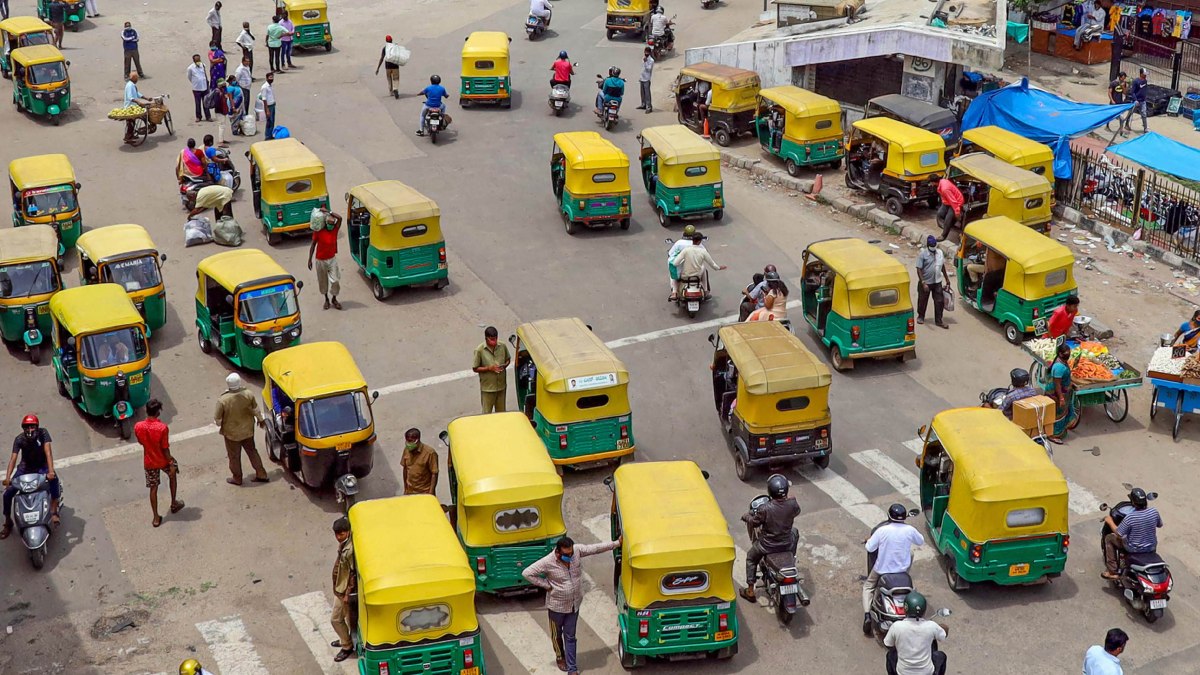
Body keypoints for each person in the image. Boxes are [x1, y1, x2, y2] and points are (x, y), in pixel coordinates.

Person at [522, 535, 621, 675]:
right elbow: (527, 573)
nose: (570, 556)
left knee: (570, 637)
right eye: (566, 555)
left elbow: (595, 548)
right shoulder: (548, 562)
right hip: (556, 607)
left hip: (574, 605)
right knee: (557, 636)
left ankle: (572, 668)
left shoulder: (577, 552)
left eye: (571, 553)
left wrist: (616, 543)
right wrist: (547, 586)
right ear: (558, 552)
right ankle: (559, 657)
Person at [862, 503, 925, 629]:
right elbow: (921, 541)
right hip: (902, 571)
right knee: (911, 553)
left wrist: (869, 540)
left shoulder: (882, 531)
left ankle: (867, 615)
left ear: (889, 516)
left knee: (868, 587)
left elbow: (869, 547)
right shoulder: (909, 530)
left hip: (882, 570)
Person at [740, 474, 800, 602]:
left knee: (750, 558)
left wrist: (746, 517)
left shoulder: (764, 508)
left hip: (767, 546)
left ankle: (750, 591)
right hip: (787, 544)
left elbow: (755, 522)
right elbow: (796, 511)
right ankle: (791, 557)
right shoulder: (792, 503)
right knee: (795, 532)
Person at [1, 415, 60, 539]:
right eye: (27, 427)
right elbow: (13, 458)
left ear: (37, 427)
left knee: (54, 481)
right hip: (25, 469)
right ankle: (8, 521)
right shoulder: (19, 439)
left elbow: (48, 452)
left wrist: (50, 471)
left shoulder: (43, 433)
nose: (30, 429)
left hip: (42, 467)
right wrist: (8, 478)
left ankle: (54, 507)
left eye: (32, 426)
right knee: (7, 494)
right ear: (23, 428)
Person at [135, 399, 183, 528]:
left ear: (146, 411)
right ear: (158, 412)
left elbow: (141, 442)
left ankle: (156, 517)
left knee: (153, 488)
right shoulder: (162, 428)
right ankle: (174, 503)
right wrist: (171, 463)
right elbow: (165, 448)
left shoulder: (138, 426)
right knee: (173, 476)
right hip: (163, 460)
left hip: (149, 461)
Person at [214, 373, 268, 486]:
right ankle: (261, 473)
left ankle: (237, 478)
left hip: (231, 434)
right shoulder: (248, 394)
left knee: (234, 456)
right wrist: (261, 420)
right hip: (248, 430)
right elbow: (255, 409)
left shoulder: (223, 400)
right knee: (252, 451)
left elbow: (217, 419)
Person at [1102, 488, 1162, 580]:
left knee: (1109, 538)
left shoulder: (1130, 517)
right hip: (1151, 546)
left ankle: (1112, 571)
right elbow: (1159, 524)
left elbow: (1119, 533)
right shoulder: (1154, 512)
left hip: (1133, 548)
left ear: (1133, 503)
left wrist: (1109, 521)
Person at [882, 591, 947, 675]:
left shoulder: (896, 626)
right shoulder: (931, 626)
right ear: (924, 609)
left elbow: (888, 644)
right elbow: (943, 636)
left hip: (903, 672)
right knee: (941, 656)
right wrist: (944, 627)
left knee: (890, 655)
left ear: (905, 608)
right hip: (927, 672)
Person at [307, 205, 344, 310]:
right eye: (329, 223)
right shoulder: (319, 231)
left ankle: (334, 298)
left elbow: (340, 218)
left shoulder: (335, 230)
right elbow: (313, 245)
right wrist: (309, 259)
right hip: (320, 260)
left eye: (333, 223)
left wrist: (328, 211)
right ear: (326, 223)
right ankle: (326, 299)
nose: (331, 225)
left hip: (332, 259)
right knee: (323, 282)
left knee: (335, 280)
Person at [330, 516, 356, 663]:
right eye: (337, 534)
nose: (338, 537)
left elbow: (352, 573)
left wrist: (347, 594)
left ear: (348, 532)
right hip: (339, 588)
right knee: (340, 619)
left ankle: (347, 646)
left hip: (343, 591)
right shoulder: (345, 544)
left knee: (336, 619)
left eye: (341, 534)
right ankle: (344, 639)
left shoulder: (349, 549)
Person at [672, 231, 727, 299]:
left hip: (685, 276)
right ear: (699, 241)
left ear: (692, 240)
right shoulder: (703, 251)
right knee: (703, 267)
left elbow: (675, 263)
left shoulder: (686, 250)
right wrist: (719, 268)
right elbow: (712, 264)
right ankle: (706, 291)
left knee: (673, 272)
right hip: (698, 276)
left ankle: (674, 292)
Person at [473, 326, 511, 413]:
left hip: (501, 387)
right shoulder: (479, 350)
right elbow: (475, 368)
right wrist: (489, 368)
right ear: (486, 339)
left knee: (501, 413)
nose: (494, 341)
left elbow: (508, 359)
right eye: (492, 339)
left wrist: (505, 365)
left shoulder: (502, 346)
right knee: (487, 414)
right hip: (488, 388)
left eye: (495, 339)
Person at [915, 236, 950, 329]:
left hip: (937, 281)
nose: (933, 247)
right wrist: (923, 282)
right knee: (922, 301)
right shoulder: (923, 254)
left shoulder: (939, 253)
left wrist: (947, 279)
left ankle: (939, 321)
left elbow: (942, 266)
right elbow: (918, 269)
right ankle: (921, 316)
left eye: (934, 245)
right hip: (926, 282)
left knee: (939, 302)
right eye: (931, 245)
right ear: (928, 245)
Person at [1049, 342, 1075, 442]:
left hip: (1065, 391)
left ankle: (1060, 431)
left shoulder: (1063, 362)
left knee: (1065, 412)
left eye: (1068, 352)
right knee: (1058, 415)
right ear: (1060, 354)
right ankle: (1053, 435)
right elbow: (1057, 384)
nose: (1068, 354)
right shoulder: (1059, 367)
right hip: (1057, 394)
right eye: (1065, 353)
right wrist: (1061, 398)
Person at [400, 428, 437, 495]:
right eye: (407, 441)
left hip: (424, 491)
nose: (408, 444)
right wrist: (405, 487)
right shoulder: (406, 450)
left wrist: (431, 492)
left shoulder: (430, 453)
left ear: (418, 440)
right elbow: (405, 469)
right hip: (410, 491)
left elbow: (434, 473)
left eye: (410, 441)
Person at [666, 224, 697, 299]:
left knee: (672, 275)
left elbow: (670, 254)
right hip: (695, 270)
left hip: (681, 272)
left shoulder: (679, 243)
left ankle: (674, 292)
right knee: (704, 271)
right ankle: (706, 291)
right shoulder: (697, 243)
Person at [935, 177, 964, 241]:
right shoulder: (942, 182)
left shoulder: (945, 189)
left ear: (933, 182)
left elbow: (953, 201)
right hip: (947, 202)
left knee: (948, 218)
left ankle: (943, 235)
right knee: (939, 214)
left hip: (956, 202)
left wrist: (957, 211)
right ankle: (947, 227)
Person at [1122, 69, 1148, 135]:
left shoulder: (1145, 81)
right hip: (1136, 101)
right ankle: (1126, 124)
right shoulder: (1136, 81)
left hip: (1143, 101)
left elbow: (1144, 90)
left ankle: (1145, 127)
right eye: (1144, 74)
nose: (1145, 75)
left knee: (1144, 114)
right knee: (1130, 113)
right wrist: (1135, 100)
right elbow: (1132, 92)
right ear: (1141, 74)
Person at [188, 54, 210, 123]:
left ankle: (208, 116)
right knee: (197, 103)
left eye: (199, 59)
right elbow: (189, 77)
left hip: (204, 87)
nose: (198, 61)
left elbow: (205, 74)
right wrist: (195, 82)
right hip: (196, 88)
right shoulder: (190, 68)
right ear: (194, 60)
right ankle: (198, 117)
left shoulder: (203, 65)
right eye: (196, 60)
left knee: (206, 102)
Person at [258, 71, 276, 139]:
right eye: (270, 77)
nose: (271, 79)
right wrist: (267, 110)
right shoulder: (264, 87)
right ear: (266, 78)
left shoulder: (270, 86)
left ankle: (270, 134)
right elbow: (264, 99)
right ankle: (267, 136)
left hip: (272, 105)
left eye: (272, 77)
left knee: (272, 121)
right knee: (269, 121)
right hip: (268, 106)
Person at [636, 48, 654, 113]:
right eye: (645, 52)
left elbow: (648, 69)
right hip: (642, 78)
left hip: (647, 79)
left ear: (649, 53)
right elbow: (642, 68)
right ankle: (643, 104)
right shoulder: (643, 58)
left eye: (647, 52)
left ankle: (649, 107)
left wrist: (646, 62)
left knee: (647, 94)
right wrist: (640, 77)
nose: (646, 54)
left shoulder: (651, 60)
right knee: (642, 93)